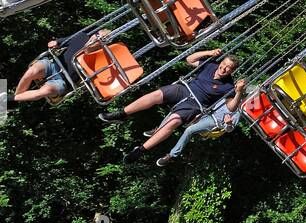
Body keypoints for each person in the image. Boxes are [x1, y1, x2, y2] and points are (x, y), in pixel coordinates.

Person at [97, 48, 245, 164]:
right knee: (156, 95)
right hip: (185, 89)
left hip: (196, 104)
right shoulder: (210, 65)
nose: (223, 68)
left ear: (232, 71)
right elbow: (189, 59)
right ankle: (122, 114)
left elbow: (231, 107)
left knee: (173, 121)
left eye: (228, 68)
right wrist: (209, 52)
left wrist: (238, 92)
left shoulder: (228, 86)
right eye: (223, 64)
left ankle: (140, 151)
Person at [0, 27, 112, 113]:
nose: (96, 39)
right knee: (32, 72)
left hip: (64, 81)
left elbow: (93, 79)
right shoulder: (81, 37)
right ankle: (14, 100)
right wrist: (55, 42)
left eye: (100, 40)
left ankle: (11, 100)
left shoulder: (101, 58)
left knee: (45, 91)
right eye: (97, 35)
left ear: (103, 44)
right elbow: (61, 41)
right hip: (54, 66)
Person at [155, 90, 246, 168]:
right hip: (204, 111)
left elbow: (229, 129)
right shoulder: (225, 96)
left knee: (189, 130)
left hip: (212, 121)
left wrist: (229, 123)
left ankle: (171, 155)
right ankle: (158, 129)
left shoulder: (237, 111)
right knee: (180, 109)